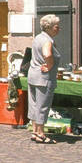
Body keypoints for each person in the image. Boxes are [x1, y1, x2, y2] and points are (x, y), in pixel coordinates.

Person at [27, 14, 61, 144]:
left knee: (34, 104)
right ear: (50, 27)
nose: (59, 29)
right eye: (57, 27)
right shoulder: (47, 40)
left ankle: (35, 131)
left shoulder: (38, 37)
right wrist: (50, 65)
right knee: (43, 105)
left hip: (33, 74)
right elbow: (47, 54)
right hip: (44, 77)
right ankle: (41, 133)